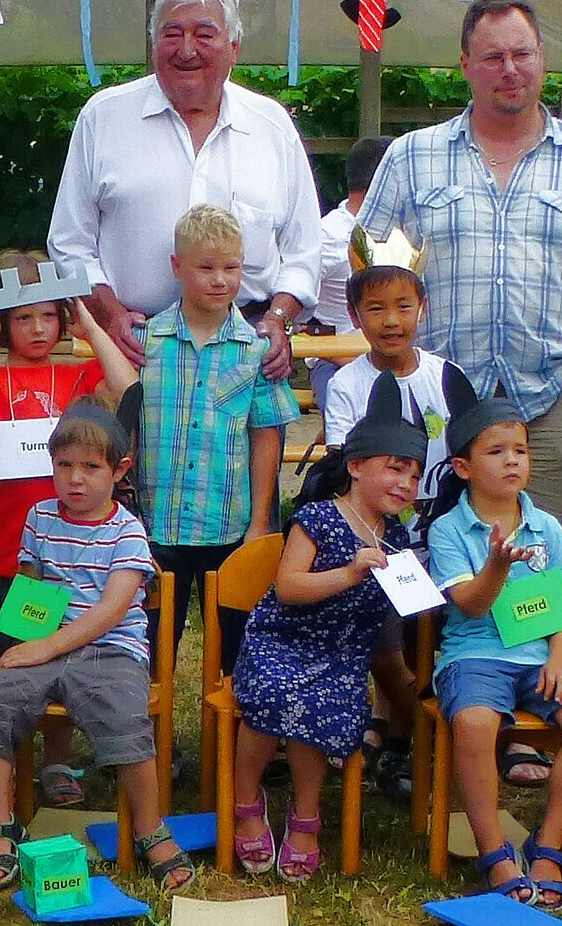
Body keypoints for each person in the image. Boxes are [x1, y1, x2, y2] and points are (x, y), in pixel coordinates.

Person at [357, 0, 562, 563]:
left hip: (556, 397)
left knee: (546, 561)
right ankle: (447, 655)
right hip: (434, 396)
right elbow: (369, 256)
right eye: (493, 57)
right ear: (465, 64)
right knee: (426, 559)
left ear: (543, 59)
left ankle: (549, 655)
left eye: (523, 54)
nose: (510, 69)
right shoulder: (411, 157)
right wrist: (398, 349)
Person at [0, 399, 195, 893]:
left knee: (125, 717)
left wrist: (46, 647)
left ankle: (152, 831)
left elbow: (111, 611)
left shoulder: (127, 531)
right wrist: (25, 646)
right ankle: (0, 831)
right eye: (64, 465)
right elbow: (32, 590)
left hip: (110, 649)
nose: (75, 478)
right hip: (48, 641)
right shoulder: (40, 517)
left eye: (91, 467)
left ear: (119, 470)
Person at [48, 0, 323, 380]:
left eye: (204, 34)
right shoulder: (103, 117)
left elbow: (304, 252)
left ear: (234, 47)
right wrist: (111, 315)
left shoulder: (271, 126)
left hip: (247, 353)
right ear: (154, 43)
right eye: (172, 34)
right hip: (134, 349)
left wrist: (279, 318)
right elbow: (69, 243)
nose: (187, 50)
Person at [0, 250, 136, 806]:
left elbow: (128, 388)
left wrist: (89, 321)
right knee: (13, 656)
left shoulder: (76, 374)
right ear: (1, 322)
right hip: (11, 544)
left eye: (48, 316)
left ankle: (57, 762)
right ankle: (8, 758)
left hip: (70, 547)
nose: (37, 328)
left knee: (55, 653)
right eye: (23, 317)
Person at [227, 375, 422, 882]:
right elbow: (289, 587)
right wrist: (350, 572)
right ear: (355, 467)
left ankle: (305, 814)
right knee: (273, 694)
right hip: (281, 640)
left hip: (340, 653)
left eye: (415, 474)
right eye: (395, 468)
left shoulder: (397, 538)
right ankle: (245, 797)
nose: (405, 483)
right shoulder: (317, 517)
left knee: (325, 703)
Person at [425, 401, 562, 911]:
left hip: (542, 654)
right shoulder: (448, 530)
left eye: (521, 450)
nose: (513, 461)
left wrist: (561, 658)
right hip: (475, 655)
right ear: (463, 467)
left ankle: (547, 845)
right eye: (496, 451)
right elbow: (470, 603)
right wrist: (496, 567)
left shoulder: (546, 525)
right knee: (477, 723)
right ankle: (494, 852)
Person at [321, 261, 478, 792]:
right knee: (381, 629)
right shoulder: (347, 384)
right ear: (355, 316)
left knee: (435, 633)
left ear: (423, 309)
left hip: (445, 534)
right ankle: (402, 728)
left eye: (403, 306)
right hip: (377, 537)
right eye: (376, 309)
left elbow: (468, 454)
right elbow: (347, 463)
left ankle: (421, 730)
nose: (392, 320)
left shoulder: (447, 377)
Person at [133, 204, 299, 669]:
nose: (220, 280)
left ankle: (227, 740)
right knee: (151, 643)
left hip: (227, 523)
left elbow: (267, 436)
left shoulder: (257, 350)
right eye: (206, 267)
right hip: (158, 522)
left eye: (232, 267)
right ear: (177, 267)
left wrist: (260, 523)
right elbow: (126, 425)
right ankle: (155, 737)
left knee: (235, 649)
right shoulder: (147, 343)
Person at [309, 136, 393, 417]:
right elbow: (294, 313)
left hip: (400, 355)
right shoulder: (327, 237)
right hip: (337, 362)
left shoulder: (406, 229)